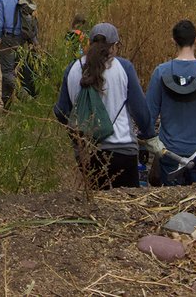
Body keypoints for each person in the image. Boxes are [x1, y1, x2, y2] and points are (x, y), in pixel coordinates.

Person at [52, 23, 160, 189]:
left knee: (98, 205)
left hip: (89, 152)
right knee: (125, 207)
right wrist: (149, 134)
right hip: (123, 150)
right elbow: (141, 112)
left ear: (89, 43)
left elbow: (61, 111)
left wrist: (77, 136)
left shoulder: (72, 69)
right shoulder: (124, 68)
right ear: (114, 46)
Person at [144, 20, 196, 186]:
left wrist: (145, 142)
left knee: (168, 205)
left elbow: (149, 114)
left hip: (168, 154)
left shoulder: (161, 72)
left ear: (173, 40)